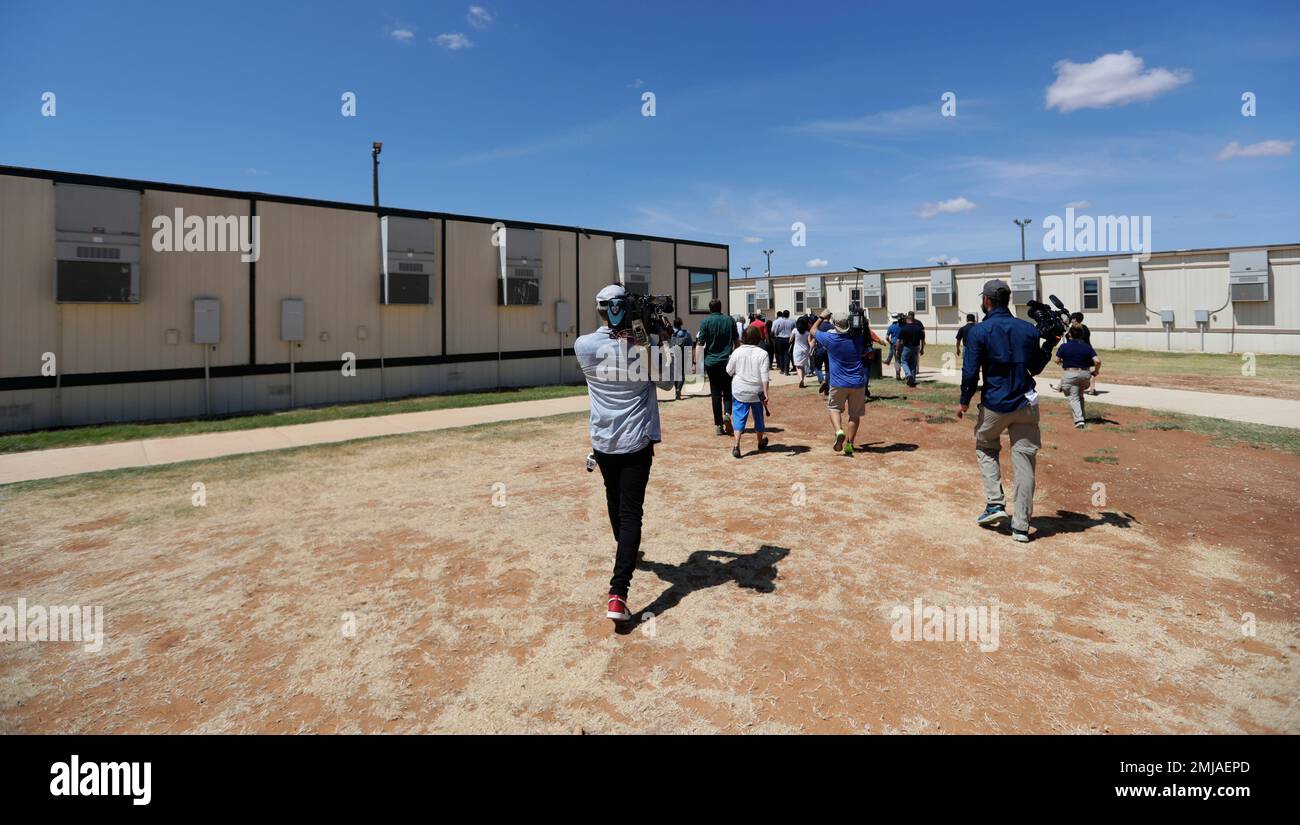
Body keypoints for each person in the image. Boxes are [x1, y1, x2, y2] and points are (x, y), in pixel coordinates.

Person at [575, 284, 677, 622]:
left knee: (614, 499)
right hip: (635, 441)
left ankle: (625, 550)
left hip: (603, 440)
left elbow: (609, 347)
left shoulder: (584, 346)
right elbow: (668, 381)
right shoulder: (642, 350)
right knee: (632, 513)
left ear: (599, 310)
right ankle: (618, 593)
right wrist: (660, 340)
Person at [956, 279, 1060, 543]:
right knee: (1024, 461)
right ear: (1007, 299)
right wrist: (1049, 343)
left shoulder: (979, 331)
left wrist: (964, 400)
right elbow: (1035, 367)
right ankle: (1021, 526)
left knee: (985, 444)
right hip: (1026, 403)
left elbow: (970, 371)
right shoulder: (1028, 329)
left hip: (995, 402)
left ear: (987, 301)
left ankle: (995, 503)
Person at [814, 312, 867, 456]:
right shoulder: (858, 338)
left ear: (834, 324)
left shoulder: (829, 338)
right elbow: (865, 344)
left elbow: (813, 330)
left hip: (838, 382)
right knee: (854, 414)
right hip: (857, 382)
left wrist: (821, 317)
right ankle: (849, 444)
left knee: (834, 408)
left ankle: (838, 431)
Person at [725, 326, 771, 458]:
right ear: (758, 338)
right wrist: (766, 393)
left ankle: (736, 445)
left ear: (743, 337)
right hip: (756, 391)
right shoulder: (763, 353)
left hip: (740, 390)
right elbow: (765, 376)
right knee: (759, 417)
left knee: (739, 417)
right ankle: (760, 442)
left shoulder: (737, 352)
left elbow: (729, 371)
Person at [696, 299, 739, 436]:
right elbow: (736, 342)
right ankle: (727, 414)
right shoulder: (730, 320)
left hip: (711, 362)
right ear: (721, 308)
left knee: (715, 393)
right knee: (728, 390)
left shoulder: (705, 322)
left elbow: (700, 343)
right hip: (727, 361)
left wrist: (697, 363)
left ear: (710, 309)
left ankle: (719, 425)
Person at [1055, 325, 1101, 429]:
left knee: (1073, 397)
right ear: (1082, 335)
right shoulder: (1087, 347)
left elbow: (1057, 360)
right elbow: (1097, 361)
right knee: (1080, 396)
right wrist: (1096, 371)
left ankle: (1079, 420)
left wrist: (1063, 362)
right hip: (1085, 374)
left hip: (1071, 374)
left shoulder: (1064, 346)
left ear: (1070, 334)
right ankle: (1082, 417)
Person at [1069, 312, 1098, 395]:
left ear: (1076, 319)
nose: (1071, 320)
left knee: (1071, 368)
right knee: (1089, 370)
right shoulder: (1085, 328)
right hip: (1087, 350)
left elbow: (1072, 339)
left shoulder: (1075, 329)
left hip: (1080, 351)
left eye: (1072, 319)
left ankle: (1063, 386)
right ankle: (1092, 389)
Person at [896, 311, 926, 387]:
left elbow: (898, 340)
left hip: (907, 348)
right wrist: (922, 349)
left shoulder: (904, 328)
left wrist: (897, 349)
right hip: (916, 348)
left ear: (908, 320)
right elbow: (922, 339)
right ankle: (913, 379)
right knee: (913, 364)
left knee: (904, 361)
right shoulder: (918, 328)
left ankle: (908, 375)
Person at [667, 317, 694, 401]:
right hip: (683, 354)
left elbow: (667, 344)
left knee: (675, 373)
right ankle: (679, 389)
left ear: (674, 324)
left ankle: (676, 389)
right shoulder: (686, 333)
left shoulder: (670, 333)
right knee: (682, 373)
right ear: (681, 324)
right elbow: (691, 345)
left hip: (673, 355)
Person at [792, 311, 813, 388]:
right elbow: (809, 342)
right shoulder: (807, 333)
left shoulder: (795, 330)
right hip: (805, 350)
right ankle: (802, 381)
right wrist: (811, 349)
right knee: (803, 366)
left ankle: (801, 379)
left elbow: (790, 339)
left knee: (798, 366)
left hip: (797, 350)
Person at [770, 310, 794, 375]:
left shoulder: (777, 321)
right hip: (788, 339)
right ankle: (786, 370)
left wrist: (774, 337)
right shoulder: (792, 321)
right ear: (788, 315)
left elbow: (773, 331)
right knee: (787, 355)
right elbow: (793, 331)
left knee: (780, 354)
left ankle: (782, 369)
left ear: (783, 315)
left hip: (779, 339)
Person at [884, 315, 902, 380]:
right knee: (902, 359)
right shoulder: (901, 326)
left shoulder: (891, 327)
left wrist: (890, 342)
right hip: (902, 344)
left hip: (894, 343)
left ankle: (898, 373)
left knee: (897, 360)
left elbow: (886, 337)